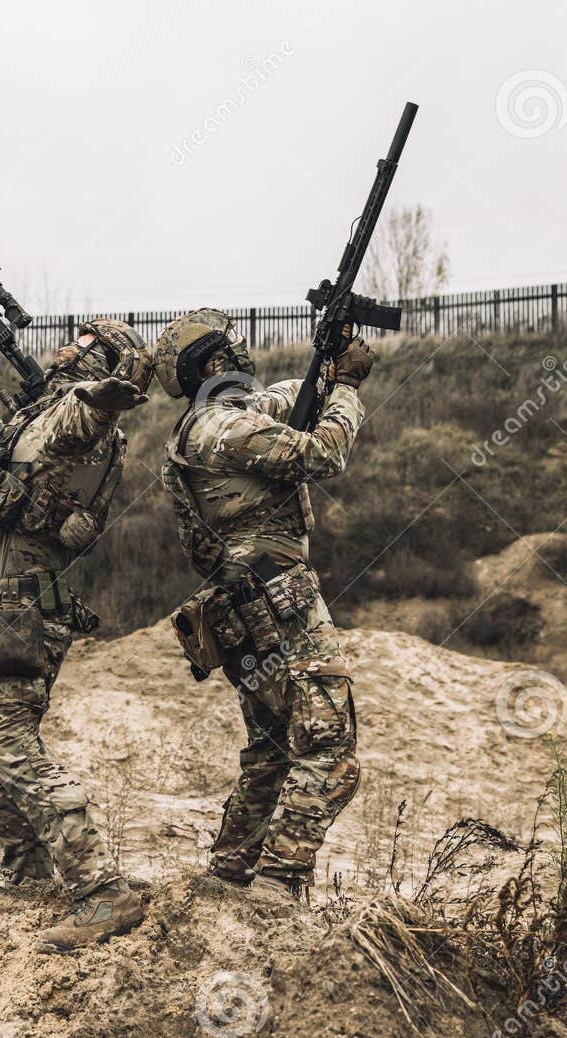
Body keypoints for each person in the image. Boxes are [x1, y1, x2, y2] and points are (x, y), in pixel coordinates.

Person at [153, 308, 376, 900]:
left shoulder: (220, 421)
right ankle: (279, 883)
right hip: (275, 594)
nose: (248, 351)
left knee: (273, 752)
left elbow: (284, 398)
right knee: (329, 750)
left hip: (247, 602)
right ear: (214, 361)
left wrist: (327, 363)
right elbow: (323, 454)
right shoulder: (214, 429)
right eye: (237, 345)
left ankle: (229, 877)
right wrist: (348, 389)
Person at [0, 319, 151, 950]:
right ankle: (27, 878)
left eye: (86, 345)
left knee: (10, 747)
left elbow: (90, 415)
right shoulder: (43, 422)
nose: (70, 347)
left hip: (24, 610)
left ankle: (103, 890)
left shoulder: (81, 426)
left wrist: (114, 385)